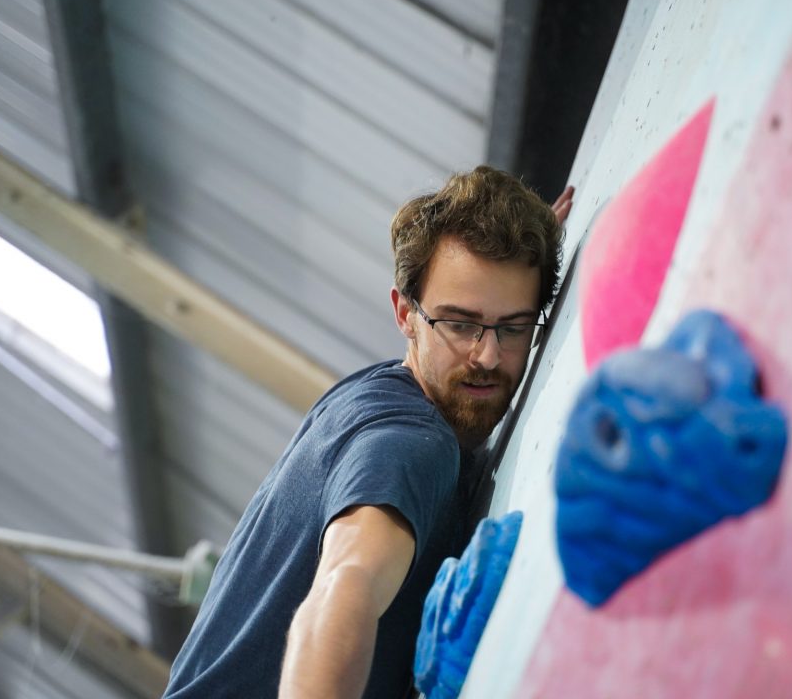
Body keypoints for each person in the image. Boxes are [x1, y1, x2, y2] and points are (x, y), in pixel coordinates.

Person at [163, 167, 571, 698]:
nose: (488, 355)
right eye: (460, 324)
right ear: (405, 313)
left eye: (512, 327)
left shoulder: (372, 395)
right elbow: (346, 585)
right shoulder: (410, 441)